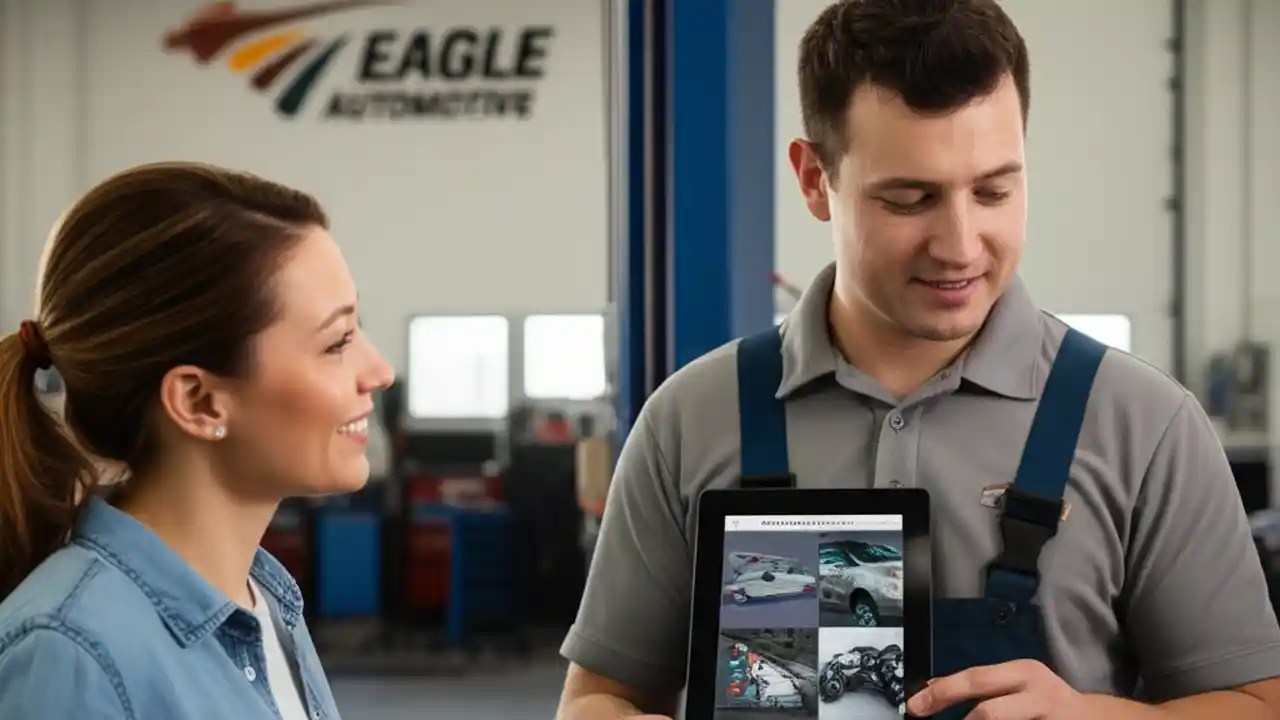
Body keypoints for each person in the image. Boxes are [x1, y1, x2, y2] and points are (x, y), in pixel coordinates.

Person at [555, 2, 1280, 719]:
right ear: (814, 180)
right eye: (910, 199)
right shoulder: (692, 420)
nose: (961, 245)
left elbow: (1258, 703)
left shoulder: (1144, 426)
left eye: (994, 190)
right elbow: (597, 699)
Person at [0, 161, 394, 718]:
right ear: (198, 402)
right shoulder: (71, 657)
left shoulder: (263, 599)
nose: (380, 370)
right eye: (338, 342)